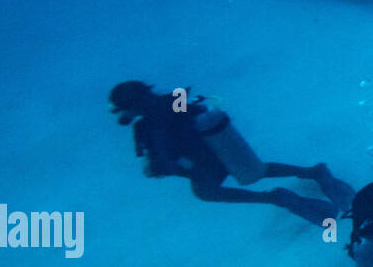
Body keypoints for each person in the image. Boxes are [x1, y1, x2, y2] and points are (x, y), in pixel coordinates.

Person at [108, 81, 351, 226]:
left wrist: (159, 166)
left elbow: (162, 160)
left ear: (130, 107)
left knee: (205, 192)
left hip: (201, 167)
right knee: (259, 170)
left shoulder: (146, 126)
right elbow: (197, 110)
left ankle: (273, 197)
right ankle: (312, 172)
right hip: (220, 148)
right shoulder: (173, 99)